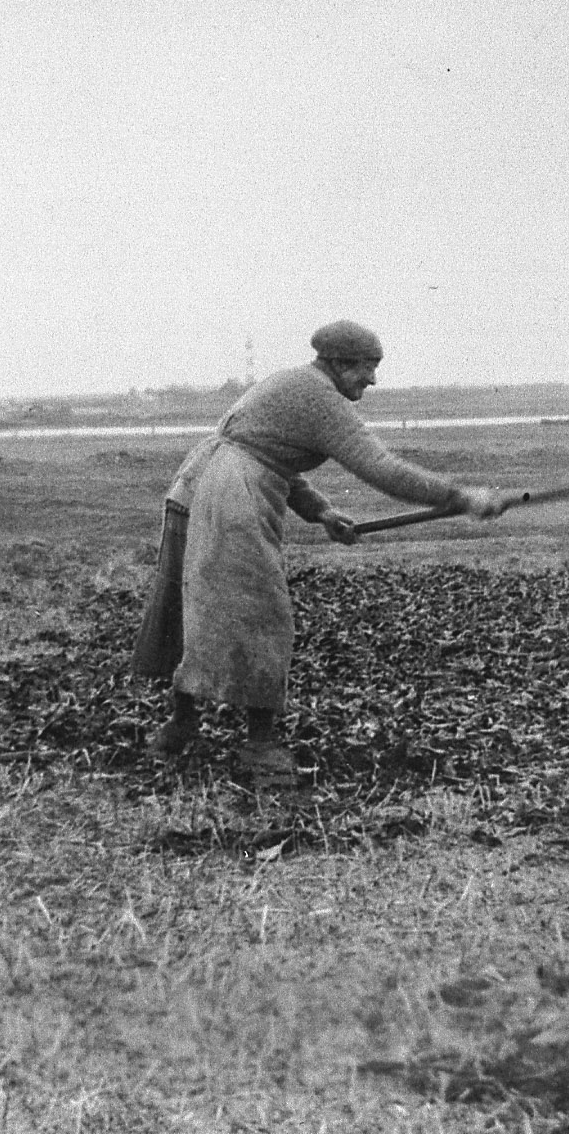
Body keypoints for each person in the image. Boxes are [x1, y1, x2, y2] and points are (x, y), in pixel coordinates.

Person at [131, 319, 506, 788]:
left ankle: (180, 726)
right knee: (262, 612)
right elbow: (380, 468)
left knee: (191, 608)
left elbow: (266, 452)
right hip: (227, 496)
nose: (373, 379)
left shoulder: (293, 382)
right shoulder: (319, 396)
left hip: (197, 483)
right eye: (367, 367)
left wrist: (321, 511)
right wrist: (460, 497)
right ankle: (259, 746)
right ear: (339, 363)